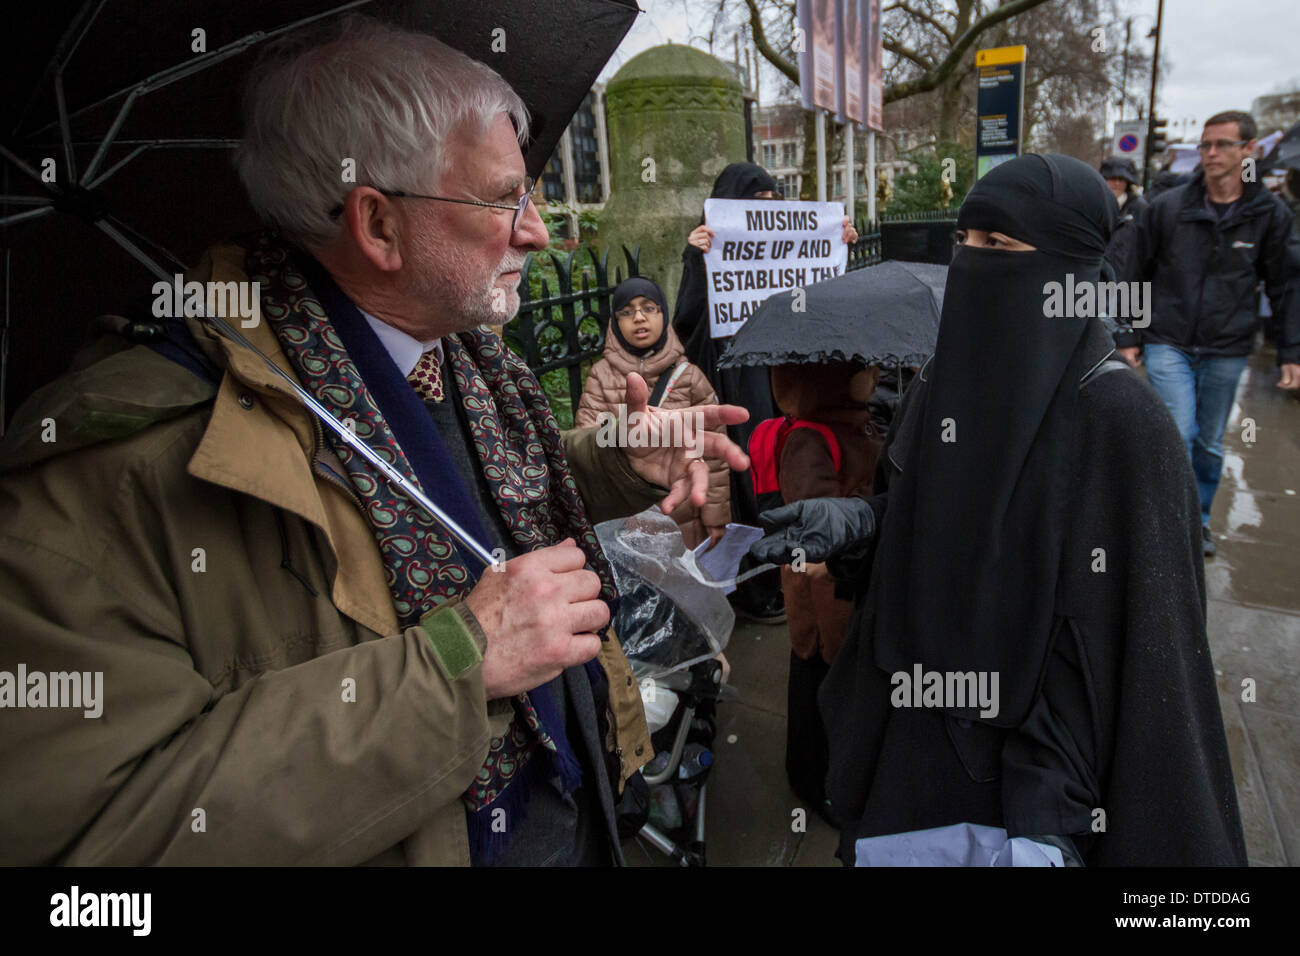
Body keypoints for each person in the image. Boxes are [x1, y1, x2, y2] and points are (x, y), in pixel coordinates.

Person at [0, 16, 750, 867]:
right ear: (379, 226)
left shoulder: (464, 356)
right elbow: (95, 840)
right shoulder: (116, 471)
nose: (538, 230)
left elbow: (479, 505)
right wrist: (457, 665)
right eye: (505, 197)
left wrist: (618, 458)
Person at [753, 153, 1248, 866]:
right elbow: (940, 523)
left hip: (1028, 776)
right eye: (967, 241)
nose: (974, 263)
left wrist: (1051, 806)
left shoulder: (1122, 421)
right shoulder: (942, 382)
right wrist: (866, 524)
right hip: (911, 728)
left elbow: (1137, 653)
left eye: (1001, 246)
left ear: (1069, 269)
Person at [672, 162, 858, 622]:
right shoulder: (703, 250)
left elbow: (820, 298)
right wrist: (698, 259)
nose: (769, 215)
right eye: (758, 206)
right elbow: (688, 324)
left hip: (782, 378)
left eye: (776, 206)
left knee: (783, 476)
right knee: (748, 483)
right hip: (740, 384)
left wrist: (836, 247)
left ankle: (781, 577)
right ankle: (754, 587)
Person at [1119, 110, 1300, 557]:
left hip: (1228, 346)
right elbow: (1135, 271)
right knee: (1176, 431)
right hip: (1169, 339)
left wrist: (1291, 351)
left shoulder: (1267, 214)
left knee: (1209, 443)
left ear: (1249, 151)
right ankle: (1164, 520)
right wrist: (1128, 334)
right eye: (1205, 145)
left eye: (1222, 145)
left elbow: (1284, 285)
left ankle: (1198, 519)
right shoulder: (1168, 208)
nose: (1211, 153)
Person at [753, 360, 882, 820]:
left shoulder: (848, 424)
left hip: (838, 591)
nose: (876, 374)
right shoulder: (811, 438)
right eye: (864, 368)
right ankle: (816, 782)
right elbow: (819, 531)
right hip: (825, 600)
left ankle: (824, 774)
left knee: (823, 685)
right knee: (819, 687)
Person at [575, 276, 729, 550]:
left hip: (685, 518)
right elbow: (589, 445)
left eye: (649, 308)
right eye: (627, 311)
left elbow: (715, 460)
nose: (638, 318)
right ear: (615, 322)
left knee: (688, 590)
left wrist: (715, 517)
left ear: (664, 315)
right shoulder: (600, 377)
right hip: (627, 522)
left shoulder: (690, 377)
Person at [1098, 155, 1146, 281]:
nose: (1117, 183)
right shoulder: (1093, 204)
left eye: (1122, 179)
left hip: (1127, 283)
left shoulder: (1140, 209)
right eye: (1112, 178)